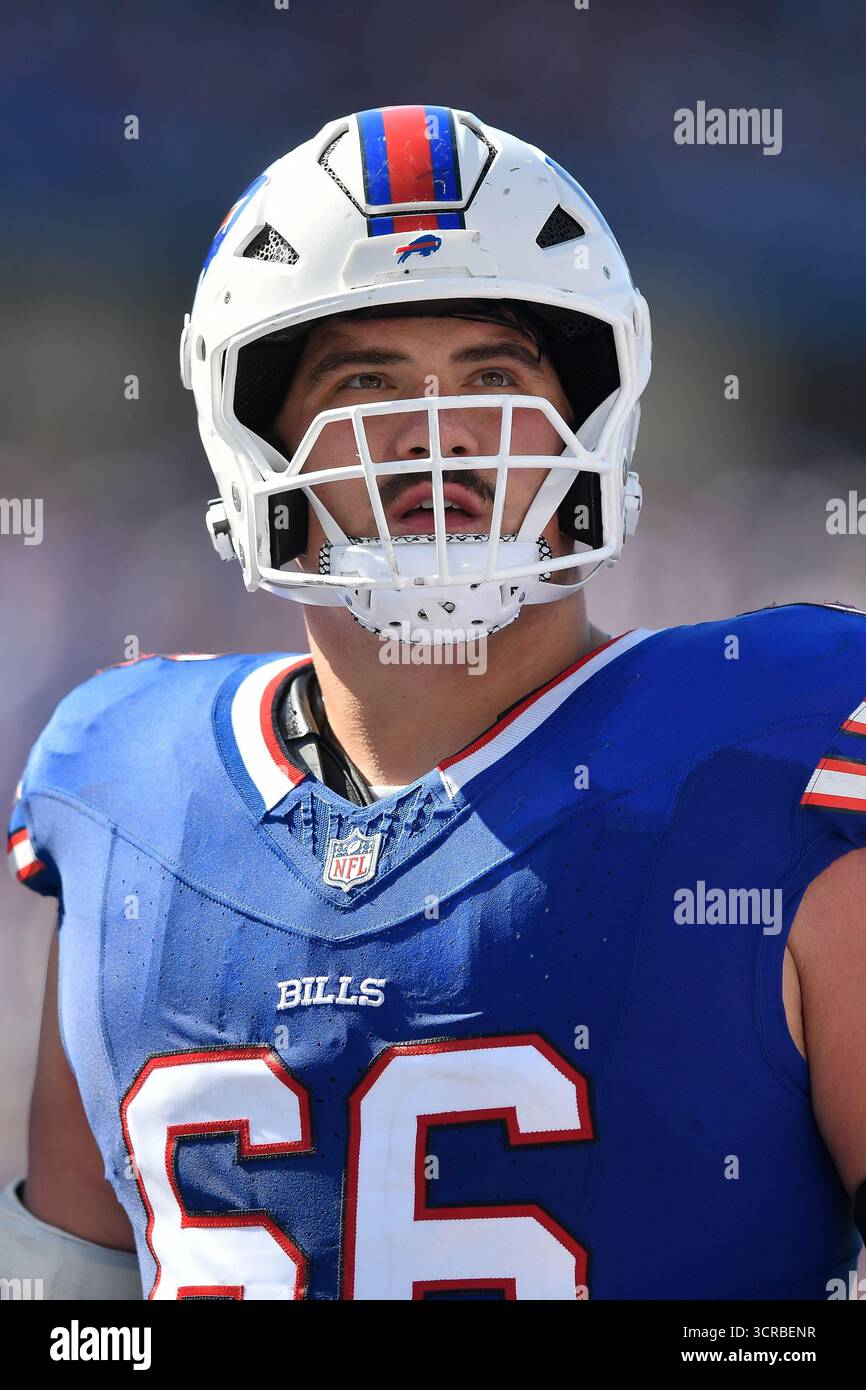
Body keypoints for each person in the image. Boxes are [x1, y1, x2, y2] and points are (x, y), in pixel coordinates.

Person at [3, 104, 865, 1301]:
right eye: (365, 379)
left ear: (588, 418)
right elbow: (73, 1301)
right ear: (257, 435)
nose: (437, 431)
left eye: (494, 373)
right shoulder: (119, 786)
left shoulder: (772, 752)